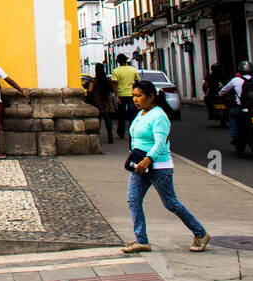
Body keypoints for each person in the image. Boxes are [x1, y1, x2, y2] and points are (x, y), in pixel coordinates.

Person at [121, 79, 210, 254]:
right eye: (133, 96)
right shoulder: (141, 114)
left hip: (159, 166)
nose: (135, 99)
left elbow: (161, 142)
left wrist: (148, 158)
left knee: (170, 203)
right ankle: (141, 240)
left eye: (139, 96)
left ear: (151, 96)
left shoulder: (159, 115)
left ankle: (200, 233)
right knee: (133, 199)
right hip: (139, 166)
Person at [218, 60, 253, 142]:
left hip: (242, 108)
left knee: (232, 114)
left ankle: (235, 134)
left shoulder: (235, 80)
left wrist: (219, 94)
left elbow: (223, 91)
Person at [111, 54, 140, 139]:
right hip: (131, 94)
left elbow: (115, 84)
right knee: (133, 114)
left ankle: (121, 132)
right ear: (126, 61)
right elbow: (137, 80)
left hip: (121, 95)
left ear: (118, 62)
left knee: (121, 115)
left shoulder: (116, 71)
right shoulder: (132, 70)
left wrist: (116, 96)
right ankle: (133, 131)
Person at [86, 62, 116, 143]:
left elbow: (90, 91)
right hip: (107, 101)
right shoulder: (108, 80)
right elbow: (112, 89)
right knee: (108, 120)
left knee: (98, 119)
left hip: (97, 102)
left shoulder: (93, 81)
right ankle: (110, 135)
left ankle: (97, 136)